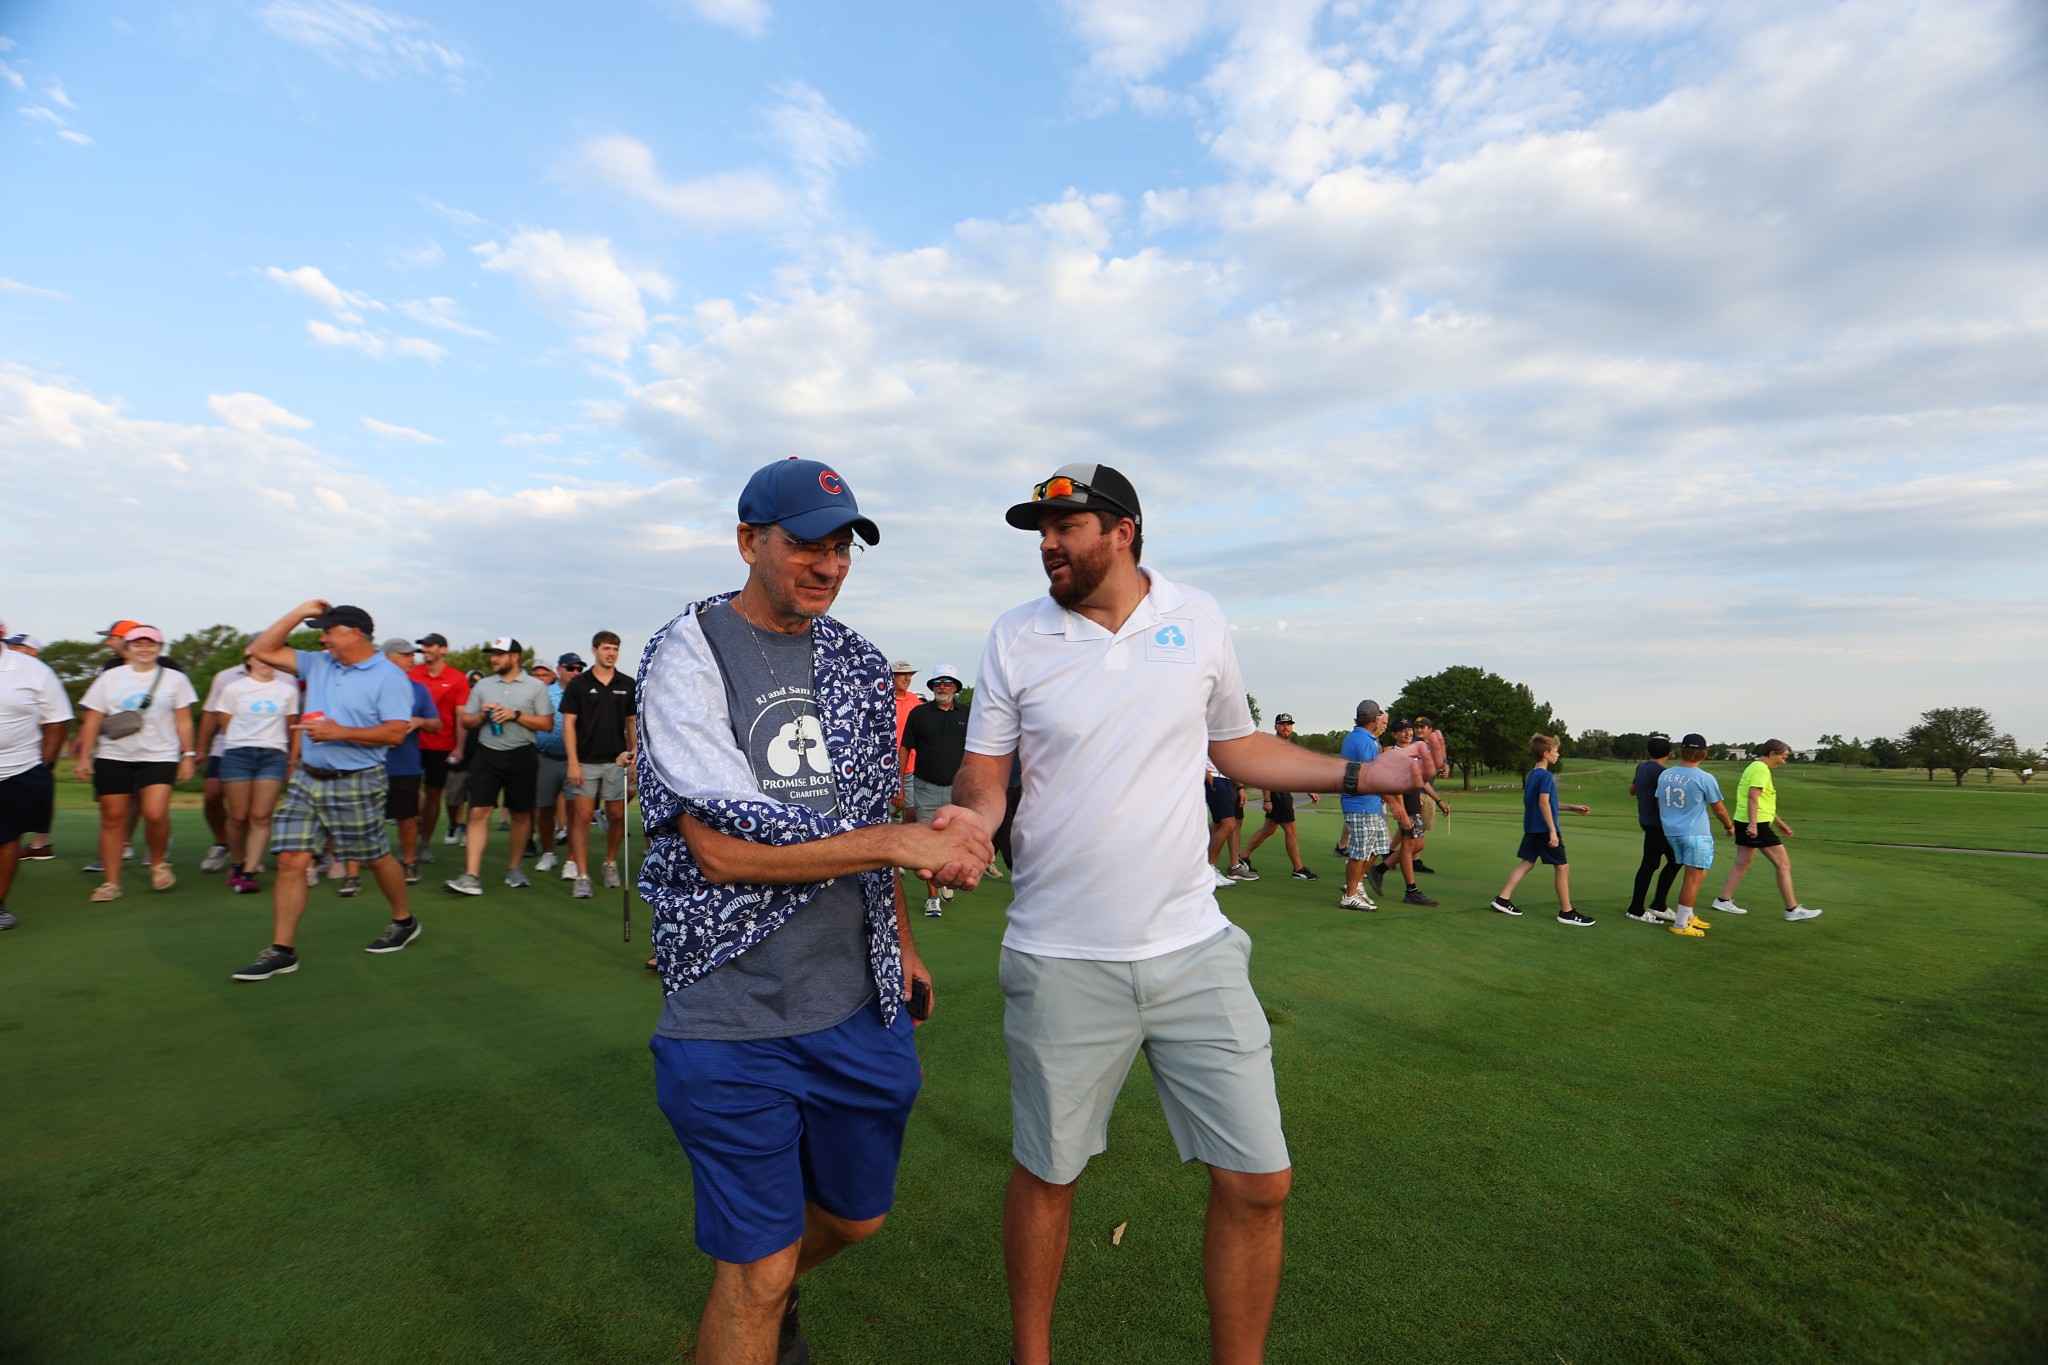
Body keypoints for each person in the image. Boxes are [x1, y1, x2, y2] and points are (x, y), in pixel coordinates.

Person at [949, 461, 1434, 1365]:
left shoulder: (1199, 617)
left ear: (1123, 530)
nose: (1048, 545)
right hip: (1060, 952)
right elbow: (987, 770)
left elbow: (1240, 747)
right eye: (1041, 531)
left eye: (1066, 527)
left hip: (1193, 946)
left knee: (1260, 1180)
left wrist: (1372, 771)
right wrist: (972, 821)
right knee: (1049, 1174)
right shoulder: (1015, 636)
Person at [636, 457, 972, 1365]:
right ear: (750, 541)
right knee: (757, 1269)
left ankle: (770, 1290)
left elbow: (872, 811)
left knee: (858, 1219)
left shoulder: (860, 661)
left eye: (840, 549)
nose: (826, 566)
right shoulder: (687, 651)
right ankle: (759, 1295)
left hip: (854, 999)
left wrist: (901, 941)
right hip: (731, 1011)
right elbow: (718, 846)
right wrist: (898, 846)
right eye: (804, 546)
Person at [230, 602, 421, 981]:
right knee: (290, 860)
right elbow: (263, 650)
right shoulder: (319, 662)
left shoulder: (389, 676)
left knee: (375, 858)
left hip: (358, 779)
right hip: (307, 778)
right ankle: (283, 950)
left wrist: (339, 732)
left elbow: (395, 732)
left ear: (353, 634)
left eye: (329, 631)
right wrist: (299, 611)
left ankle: (404, 920)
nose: (322, 637)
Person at [73, 626, 198, 901]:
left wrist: (188, 755)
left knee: (155, 814)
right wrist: (84, 756)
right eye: (137, 644)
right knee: (113, 819)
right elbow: (93, 718)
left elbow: (184, 720)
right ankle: (111, 882)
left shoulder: (175, 679)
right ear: (127, 648)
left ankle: (157, 863)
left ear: (160, 647)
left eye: (150, 644)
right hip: (114, 754)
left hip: (160, 754)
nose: (144, 649)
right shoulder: (109, 678)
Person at [445, 640, 552, 895]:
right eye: (493, 654)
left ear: (515, 656)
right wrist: (482, 715)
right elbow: (467, 720)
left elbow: (546, 724)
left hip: (522, 755)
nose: (494, 659)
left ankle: (514, 868)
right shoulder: (483, 685)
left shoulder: (535, 686)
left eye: (499, 654)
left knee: (520, 814)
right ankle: (471, 875)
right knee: (478, 812)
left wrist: (515, 715)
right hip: (486, 754)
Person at [208, 653, 300, 894]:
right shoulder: (233, 688)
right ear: (249, 661)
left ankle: (250, 871)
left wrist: (289, 757)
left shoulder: (287, 689)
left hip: (273, 755)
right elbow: (225, 721)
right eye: (260, 659)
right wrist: (244, 740)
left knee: (261, 815)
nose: (265, 663)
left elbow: (290, 724)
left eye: (270, 659)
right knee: (238, 816)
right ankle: (237, 863)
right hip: (238, 754)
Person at [0, 626, 72, 929]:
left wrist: (46, 762)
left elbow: (57, 718)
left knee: (6, 839)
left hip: (18, 768)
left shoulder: (32, 669)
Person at [1488, 733, 1594, 926]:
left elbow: (1547, 803)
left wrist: (1571, 807)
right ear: (1546, 754)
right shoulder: (1545, 776)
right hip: (1545, 829)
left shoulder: (1532, 775)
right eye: (1555, 751)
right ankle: (1567, 912)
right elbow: (1543, 803)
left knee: (1527, 862)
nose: (1558, 754)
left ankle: (1502, 899)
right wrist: (1552, 830)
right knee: (1562, 867)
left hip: (1532, 828)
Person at [563, 631, 637, 900]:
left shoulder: (627, 683)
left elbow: (632, 723)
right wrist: (572, 762)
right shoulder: (578, 684)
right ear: (594, 650)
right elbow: (569, 725)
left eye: (615, 649)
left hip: (616, 762)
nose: (611, 653)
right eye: (606, 648)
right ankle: (582, 875)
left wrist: (634, 754)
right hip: (584, 762)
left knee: (616, 817)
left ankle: (609, 862)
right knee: (581, 818)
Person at [1713, 740, 1822, 922]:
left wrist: (1779, 822)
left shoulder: (1754, 767)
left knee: (1742, 862)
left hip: (1745, 820)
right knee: (1783, 864)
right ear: (1772, 754)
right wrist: (1754, 825)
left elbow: (1763, 801)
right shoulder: (1761, 769)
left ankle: (1723, 900)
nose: (1783, 761)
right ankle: (1792, 909)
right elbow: (1753, 797)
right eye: (1783, 757)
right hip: (1757, 824)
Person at [899, 664, 972, 915]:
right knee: (929, 842)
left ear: (955, 686)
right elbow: (905, 748)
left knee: (954, 840)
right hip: (925, 786)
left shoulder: (968, 713)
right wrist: (899, 783)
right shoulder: (919, 713)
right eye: (938, 682)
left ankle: (946, 880)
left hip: (957, 790)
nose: (943, 686)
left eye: (948, 682)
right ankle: (932, 897)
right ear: (932, 686)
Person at [1655, 733, 1736, 938]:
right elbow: (1718, 809)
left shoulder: (1665, 774)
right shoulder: (1704, 778)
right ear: (1704, 753)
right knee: (1694, 877)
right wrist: (1729, 826)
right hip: (1696, 833)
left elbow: (1659, 802)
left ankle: (1688, 915)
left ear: (1681, 751)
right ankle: (1681, 923)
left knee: (1696, 874)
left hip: (1672, 832)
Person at [1367, 719, 1446, 907]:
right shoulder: (1393, 754)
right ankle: (1411, 891)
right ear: (1394, 734)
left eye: (1409, 729)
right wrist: (1400, 810)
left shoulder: (1414, 752)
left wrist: (1438, 800)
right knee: (1410, 846)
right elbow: (1395, 786)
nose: (1408, 733)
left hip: (1414, 804)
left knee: (1419, 845)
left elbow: (1422, 781)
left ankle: (1379, 870)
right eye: (1402, 731)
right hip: (1406, 807)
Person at [380, 639, 440, 885]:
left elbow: (436, 724)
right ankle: (355, 868)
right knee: (366, 817)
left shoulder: (418, 689)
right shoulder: (370, 686)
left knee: (408, 817)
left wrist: (419, 721)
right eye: (405, 655)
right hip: (369, 761)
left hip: (405, 763)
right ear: (388, 658)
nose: (411, 660)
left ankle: (409, 862)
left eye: (411, 655)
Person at [410, 633, 470, 858]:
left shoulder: (457, 678)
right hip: (412, 742)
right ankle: (414, 829)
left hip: (441, 744)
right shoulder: (413, 673)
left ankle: (424, 844)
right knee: (409, 791)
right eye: (423, 646)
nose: (425, 650)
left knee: (434, 794)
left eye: (429, 646)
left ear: (442, 649)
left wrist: (459, 747)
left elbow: (460, 716)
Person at [3, 632, 61, 863]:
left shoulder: (36, 672)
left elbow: (55, 719)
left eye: (21, 646)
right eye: (13, 646)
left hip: (28, 755)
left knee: (27, 808)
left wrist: (47, 759)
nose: (15, 649)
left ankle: (40, 842)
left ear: (34, 651)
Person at [1240, 714, 1319, 881]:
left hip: (1284, 793)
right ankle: (1298, 868)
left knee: (1269, 829)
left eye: (1289, 724)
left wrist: (1309, 789)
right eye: (1282, 724)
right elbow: (1265, 774)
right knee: (1291, 830)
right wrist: (1267, 799)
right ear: (1276, 727)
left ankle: (1243, 857)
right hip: (1277, 794)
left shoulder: (1289, 747)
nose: (1286, 727)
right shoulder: (1272, 747)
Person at [1338, 701, 1391, 911]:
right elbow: (1373, 776)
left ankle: (1356, 884)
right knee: (1359, 853)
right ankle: (1349, 895)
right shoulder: (1364, 741)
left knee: (1379, 848)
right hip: (1360, 803)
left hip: (1370, 804)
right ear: (1374, 719)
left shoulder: (1363, 738)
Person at [1624, 736, 1682, 924]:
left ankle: (1657, 904)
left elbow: (1632, 791)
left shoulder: (1642, 767)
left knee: (1667, 860)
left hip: (1647, 821)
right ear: (1669, 754)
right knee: (1663, 862)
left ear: (1648, 752)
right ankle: (1638, 908)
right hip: (1660, 824)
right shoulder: (1664, 774)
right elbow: (1663, 802)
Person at [194, 662, 245, 874]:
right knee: (212, 794)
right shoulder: (226, 675)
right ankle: (221, 843)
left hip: (267, 746)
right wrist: (201, 747)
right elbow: (211, 713)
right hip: (225, 745)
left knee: (249, 806)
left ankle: (246, 854)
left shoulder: (286, 676)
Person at [531, 654, 576, 876]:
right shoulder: (545, 692)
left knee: (574, 810)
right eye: (570, 668)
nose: (574, 672)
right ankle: (548, 852)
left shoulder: (583, 692)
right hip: (545, 757)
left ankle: (572, 859)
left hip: (574, 759)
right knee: (544, 808)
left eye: (578, 668)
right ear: (559, 669)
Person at [1204, 761, 1251, 885]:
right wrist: (1211, 781)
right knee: (1229, 824)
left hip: (1226, 780)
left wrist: (1240, 787)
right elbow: (1198, 757)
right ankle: (1209, 869)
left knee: (1220, 824)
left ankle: (1210, 869)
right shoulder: (1204, 740)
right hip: (1214, 778)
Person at [888, 660, 922, 820]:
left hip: (910, 768)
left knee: (912, 813)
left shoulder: (914, 700)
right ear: (891, 676)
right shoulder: (882, 700)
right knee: (883, 816)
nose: (907, 678)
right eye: (903, 674)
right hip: (886, 768)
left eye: (910, 674)